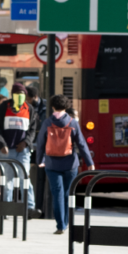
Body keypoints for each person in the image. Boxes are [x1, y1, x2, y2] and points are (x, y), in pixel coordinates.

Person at [36, 95, 93, 234]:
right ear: (66, 107)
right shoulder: (73, 123)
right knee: (68, 194)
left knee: (57, 194)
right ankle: (67, 222)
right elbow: (82, 144)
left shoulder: (47, 122)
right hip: (70, 164)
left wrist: (39, 161)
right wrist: (89, 162)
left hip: (51, 164)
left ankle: (61, 225)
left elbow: (40, 144)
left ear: (52, 107)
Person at [0, 83, 39, 216]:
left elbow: (32, 129)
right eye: (17, 95)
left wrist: (26, 142)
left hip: (23, 151)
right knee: (8, 181)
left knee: (25, 179)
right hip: (7, 150)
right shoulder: (3, 107)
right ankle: (6, 208)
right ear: (12, 95)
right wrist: (2, 145)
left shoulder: (29, 108)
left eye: (22, 95)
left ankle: (29, 208)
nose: (20, 97)